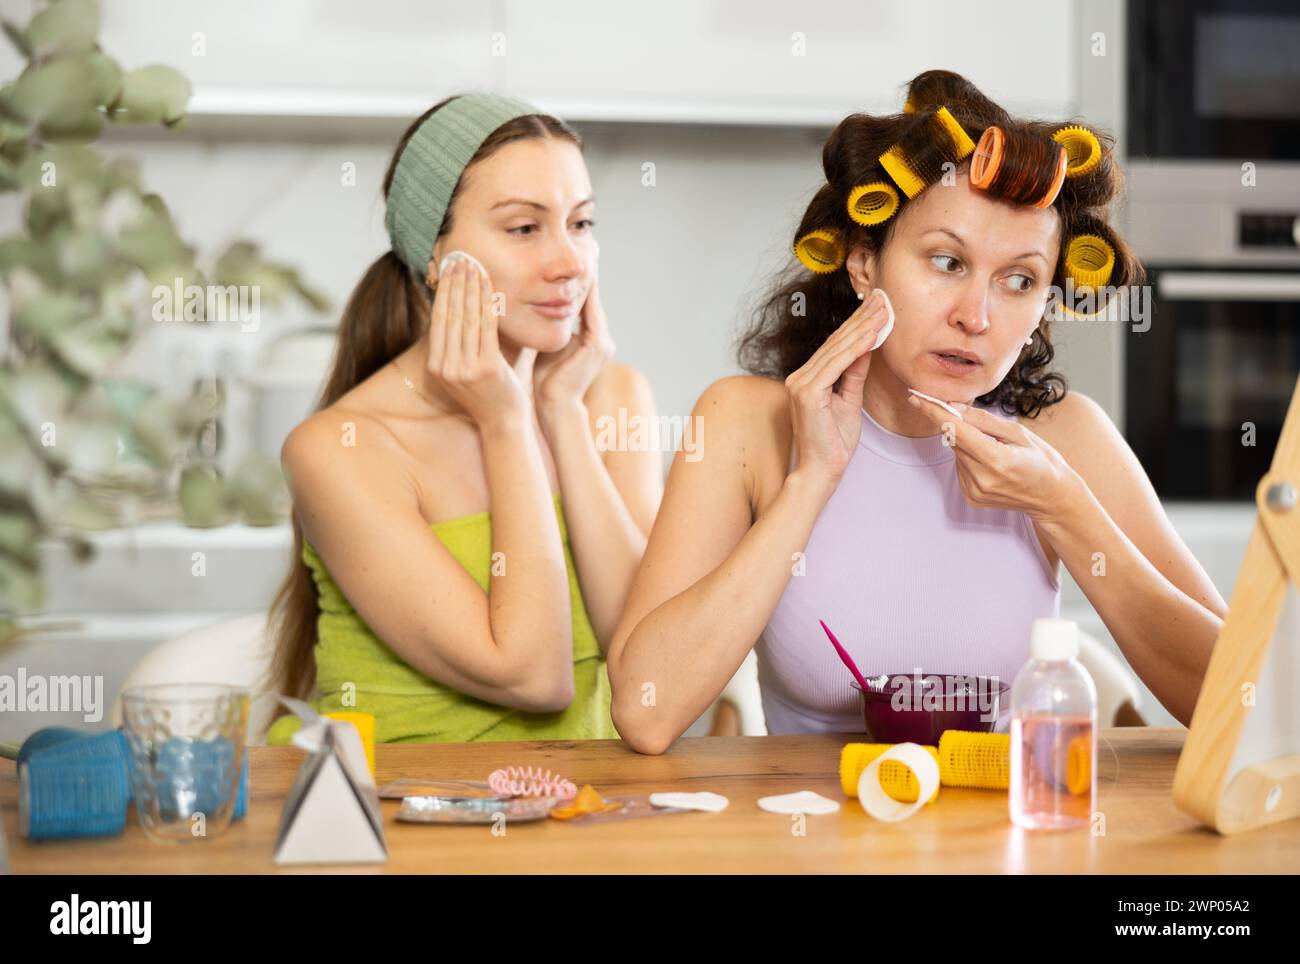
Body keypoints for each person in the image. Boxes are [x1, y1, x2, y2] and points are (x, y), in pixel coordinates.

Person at [608, 70, 1226, 754]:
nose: (976, 316)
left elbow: (1246, 699)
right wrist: (811, 480)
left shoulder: (1065, 442)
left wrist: (1064, 511)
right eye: (946, 262)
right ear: (865, 261)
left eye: (1019, 280)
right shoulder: (745, 425)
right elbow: (645, 711)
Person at [266, 93, 661, 744]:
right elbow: (534, 677)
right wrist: (505, 423)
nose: (569, 262)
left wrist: (558, 414)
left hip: (577, 816)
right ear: (435, 254)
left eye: (581, 223)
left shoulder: (610, 398)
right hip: (392, 815)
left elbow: (649, 665)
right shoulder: (337, 449)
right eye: (524, 228)